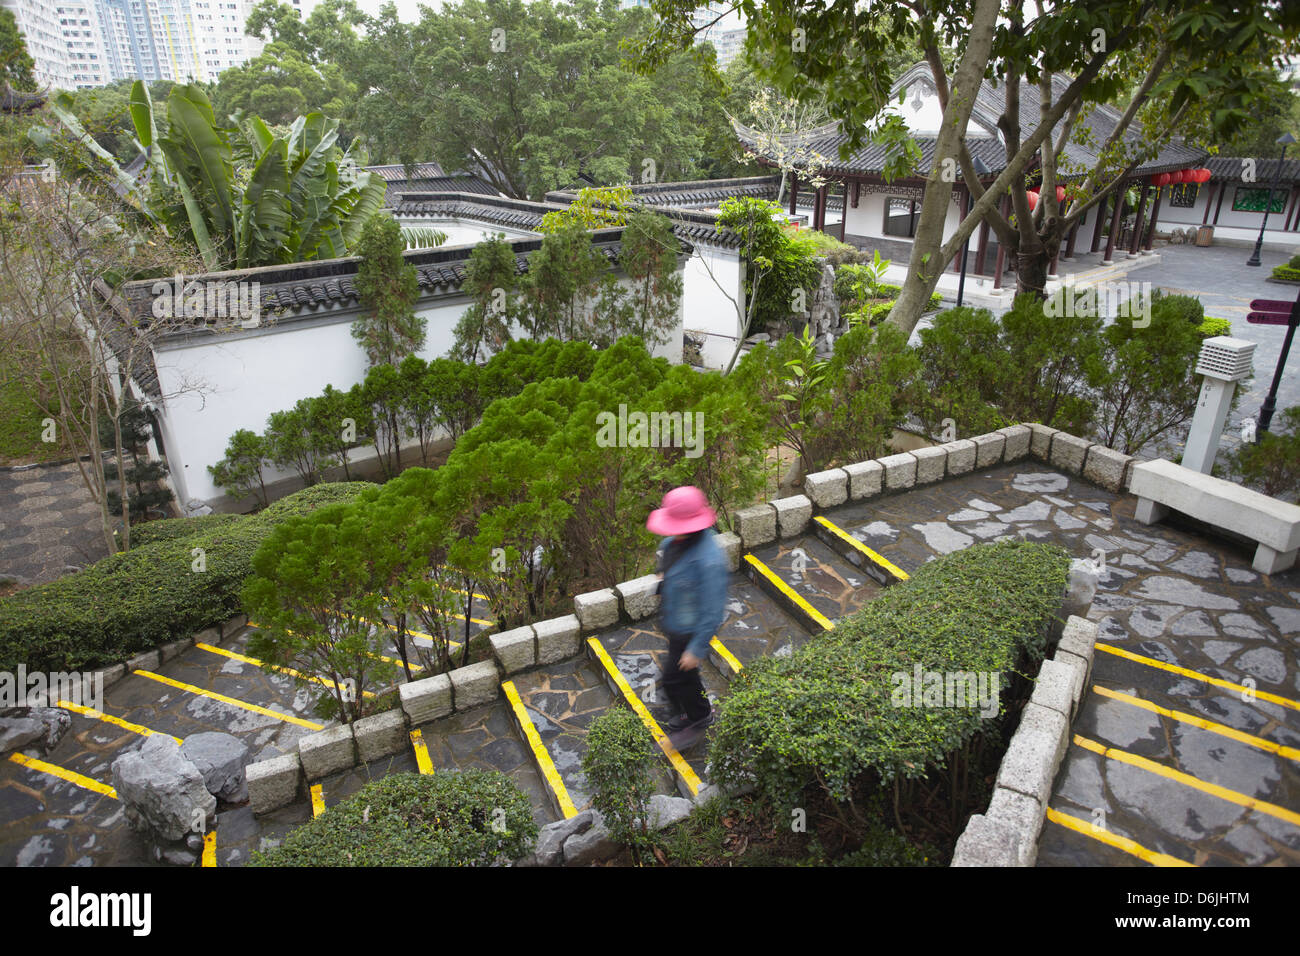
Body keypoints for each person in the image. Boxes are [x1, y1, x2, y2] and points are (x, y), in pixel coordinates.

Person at [646, 485, 728, 751]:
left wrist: (696, 648)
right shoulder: (674, 542)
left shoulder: (709, 560)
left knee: (674, 677)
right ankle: (693, 710)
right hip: (675, 622)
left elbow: (713, 610)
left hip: (690, 630)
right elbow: (666, 561)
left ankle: (699, 718)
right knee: (684, 677)